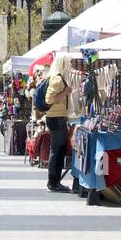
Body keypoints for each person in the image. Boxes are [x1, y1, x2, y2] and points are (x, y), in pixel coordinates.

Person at [42, 53, 73, 193]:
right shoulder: (57, 79)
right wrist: (65, 92)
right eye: (69, 63)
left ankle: (55, 181)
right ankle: (53, 182)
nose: (71, 66)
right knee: (56, 150)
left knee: (58, 150)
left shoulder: (57, 78)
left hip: (57, 117)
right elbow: (49, 99)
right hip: (56, 118)